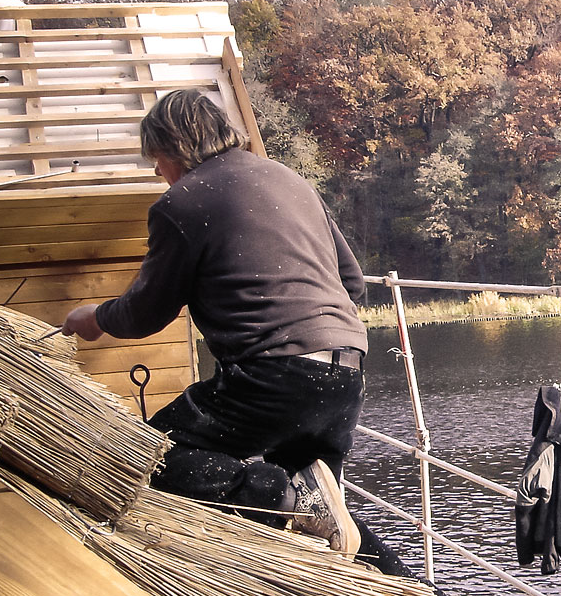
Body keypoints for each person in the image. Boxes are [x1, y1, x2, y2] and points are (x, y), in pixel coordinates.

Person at [62, 89, 368, 558]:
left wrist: (96, 319)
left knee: (148, 457)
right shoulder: (287, 179)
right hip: (346, 368)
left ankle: (291, 499)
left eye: (156, 160)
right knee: (327, 524)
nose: (157, 174)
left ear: (173, 148)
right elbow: (353, 282)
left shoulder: (182, 204)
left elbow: (147, 311)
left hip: (274, 375)